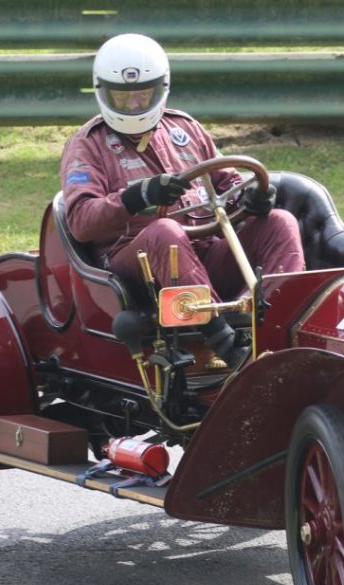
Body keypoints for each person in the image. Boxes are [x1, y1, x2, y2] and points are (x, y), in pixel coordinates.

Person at [59, 33, 305, 368]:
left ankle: (277, 322)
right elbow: (81, 221)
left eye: (142, 96)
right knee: (164, 232)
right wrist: (136, 196)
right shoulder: (88, 144)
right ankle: (224, 343)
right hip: (132, 267)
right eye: (122, 98)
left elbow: (228, 183)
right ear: (103, 92)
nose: (133, 106)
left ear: (160, 89)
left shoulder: (185, 129)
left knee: (280, 221)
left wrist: (252, 197)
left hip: (203, 248)